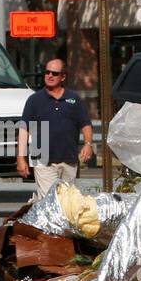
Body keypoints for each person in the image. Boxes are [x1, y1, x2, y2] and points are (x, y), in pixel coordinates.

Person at [16, 58, 94, 199]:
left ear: (63, 76)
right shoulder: (34, 100)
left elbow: (86, 124)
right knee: (48, 202)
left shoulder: (74, 99)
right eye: (47, 72)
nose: (50, 76)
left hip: (68, 160)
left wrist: (88, 144)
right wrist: (21, 158)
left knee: (67, 203)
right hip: (43, 161)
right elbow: (24, 129)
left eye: (55, 73)